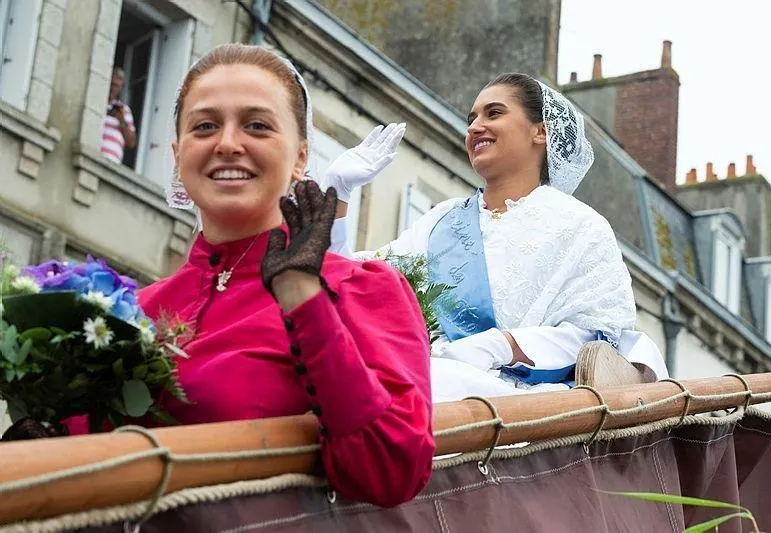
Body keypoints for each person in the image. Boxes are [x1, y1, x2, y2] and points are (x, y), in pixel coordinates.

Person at [5, 44, 435, 508]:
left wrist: (305, 301)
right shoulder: (132, 309)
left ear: (300, 157)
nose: (228, 143)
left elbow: (392, 473)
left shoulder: (359, 288)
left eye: (257, 125)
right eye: (205, 126)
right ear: (177, 153)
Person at [325, 73, 668, 402]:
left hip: (518, 398)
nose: (475, 126)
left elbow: (596, 338)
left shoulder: (581, 225)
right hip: (423, 373)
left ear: (541, 132)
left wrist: (501, 346)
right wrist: (336, 194)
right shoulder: (441, 220)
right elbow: (351, 284)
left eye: (494, 113)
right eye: (471, 118)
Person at [101, 67, 138, 164]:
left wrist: (121, 120)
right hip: (94, 155)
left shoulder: (124, 110)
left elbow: (131, 142)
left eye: (117, 86)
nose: (113, 88)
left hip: (113, 161)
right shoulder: (98, 103)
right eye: (112, 84)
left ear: (121, 88)